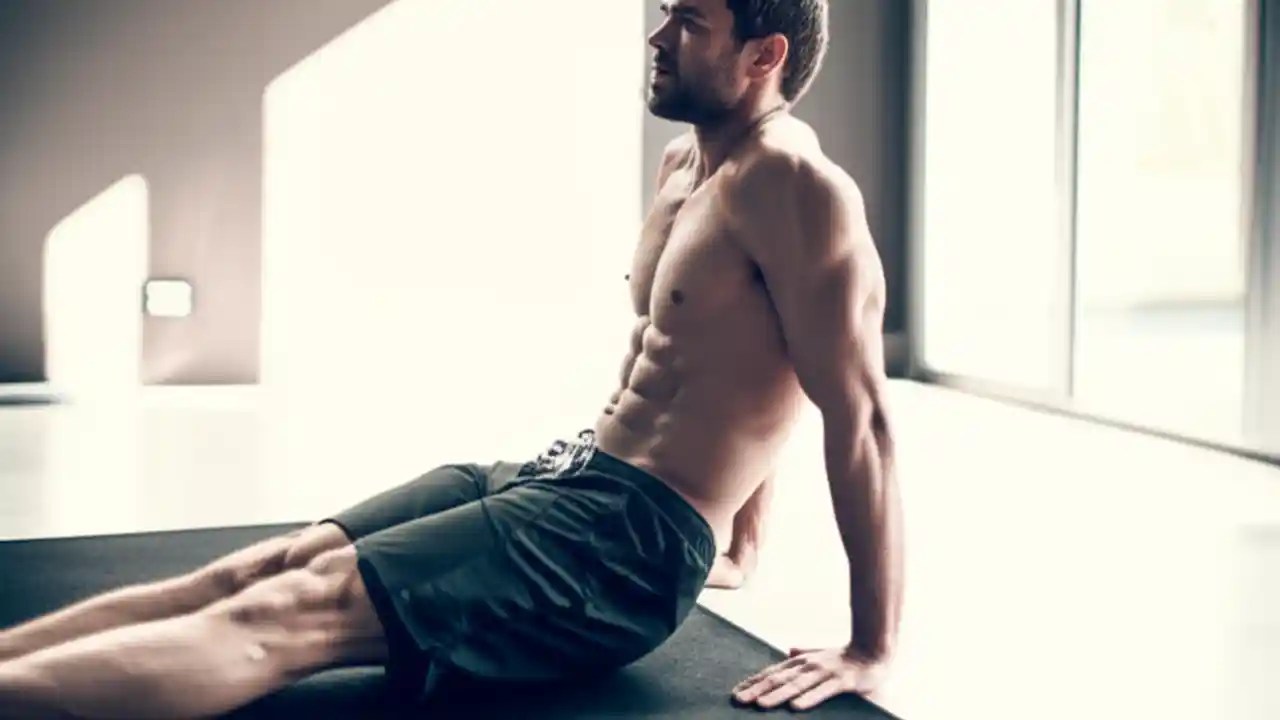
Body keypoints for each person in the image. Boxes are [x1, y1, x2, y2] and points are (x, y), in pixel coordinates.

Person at [0, 0, 902, 716]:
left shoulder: (799, 187)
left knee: (280, 620)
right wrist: (741, 544)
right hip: (572, 476)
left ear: (764, 54)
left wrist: (870, 647)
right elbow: (744, 354)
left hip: (626, 547)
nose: (657, 35)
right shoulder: (683, 165)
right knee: (256, 569)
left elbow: (857, 420)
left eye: (689, 20)